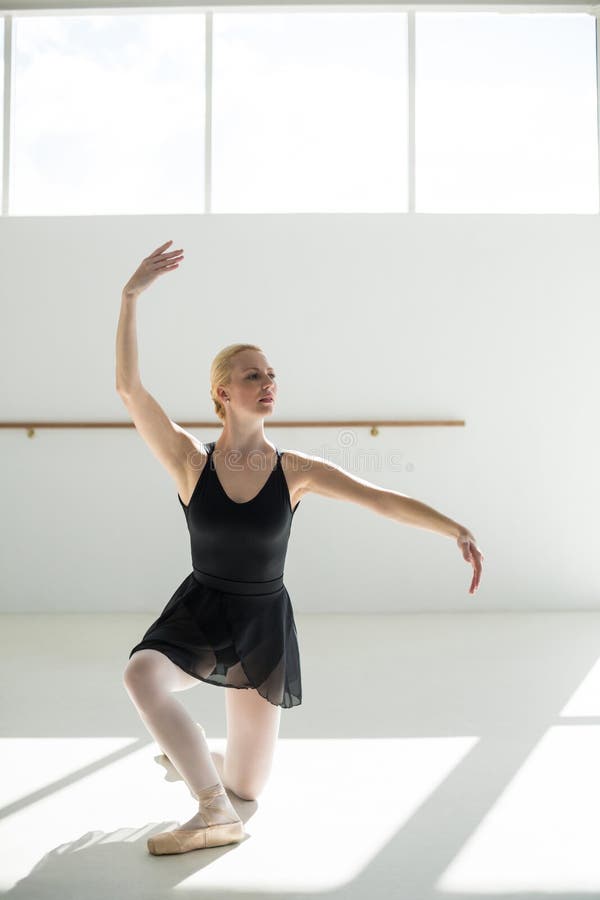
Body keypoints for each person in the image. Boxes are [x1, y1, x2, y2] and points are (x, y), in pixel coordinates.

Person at [116, 239, 484, 857]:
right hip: (202, 611)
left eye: (272, 374)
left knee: (249, 784)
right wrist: (130, 297)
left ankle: (203, 767)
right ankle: (210, 813)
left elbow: (381, 499)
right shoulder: (189, 460)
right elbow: (130, 390)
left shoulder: (296, 470)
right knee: (141, 674)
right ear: (222, 393)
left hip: (262, 624)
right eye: (252, 375)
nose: (268, 383)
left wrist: (455, 528)